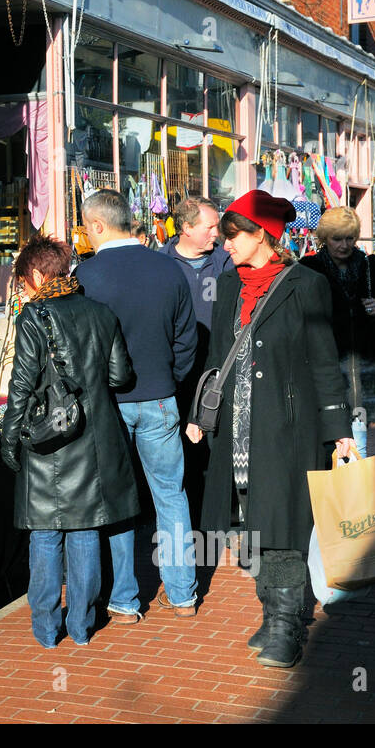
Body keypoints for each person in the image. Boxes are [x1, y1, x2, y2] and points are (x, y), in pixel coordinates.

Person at [185, 190, 354, 669]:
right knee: (249, 524)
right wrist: (202, 415)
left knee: (282, 525)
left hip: (287, 429)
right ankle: (272, 611)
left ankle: (287, 625)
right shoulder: (227, 285)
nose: (224, 243)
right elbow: (217, 358)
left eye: (233, 234)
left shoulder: (306, 284)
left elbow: (325, 361)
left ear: (262, 234)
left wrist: (338, 428)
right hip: (235, 430)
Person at [0, 234, 137, 648]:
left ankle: (45, 629)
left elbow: (21, 387)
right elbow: (120, 377)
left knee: (45, 534)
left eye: (24, 279)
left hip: (47, 441)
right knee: (84, 532)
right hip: (95, 438)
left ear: (38, 275)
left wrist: (9, 438)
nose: (24, 287)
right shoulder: (101, 312)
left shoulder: (33, 317)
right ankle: (81, 625)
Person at [77, 189, 199, 623]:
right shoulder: (169, 269)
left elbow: (79, 349)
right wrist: (169, 378)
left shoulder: (87, 276)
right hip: (160, 397)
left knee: (118, 499)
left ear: (96, 225)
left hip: (109, 404)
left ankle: (126, 600)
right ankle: (183, 592)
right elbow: (187, 340)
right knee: (171, 495)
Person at [162, 197, 234, 515]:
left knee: (217, 440)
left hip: (218, 368)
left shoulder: (224, 262)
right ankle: (189, 507)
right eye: (210, 226)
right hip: (176, 373)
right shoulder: (160, 264)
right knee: (182, 444)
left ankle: (218, 506)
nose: (216, 233)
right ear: (187, 228)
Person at [300, 207, 375, 427]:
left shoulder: (370, 265)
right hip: (326, 364)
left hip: (364, 366)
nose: (344, 245)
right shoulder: (309, 268)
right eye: (337, 239)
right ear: (325, 238)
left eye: (349, 238)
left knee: (360, 436)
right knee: (327, 432)